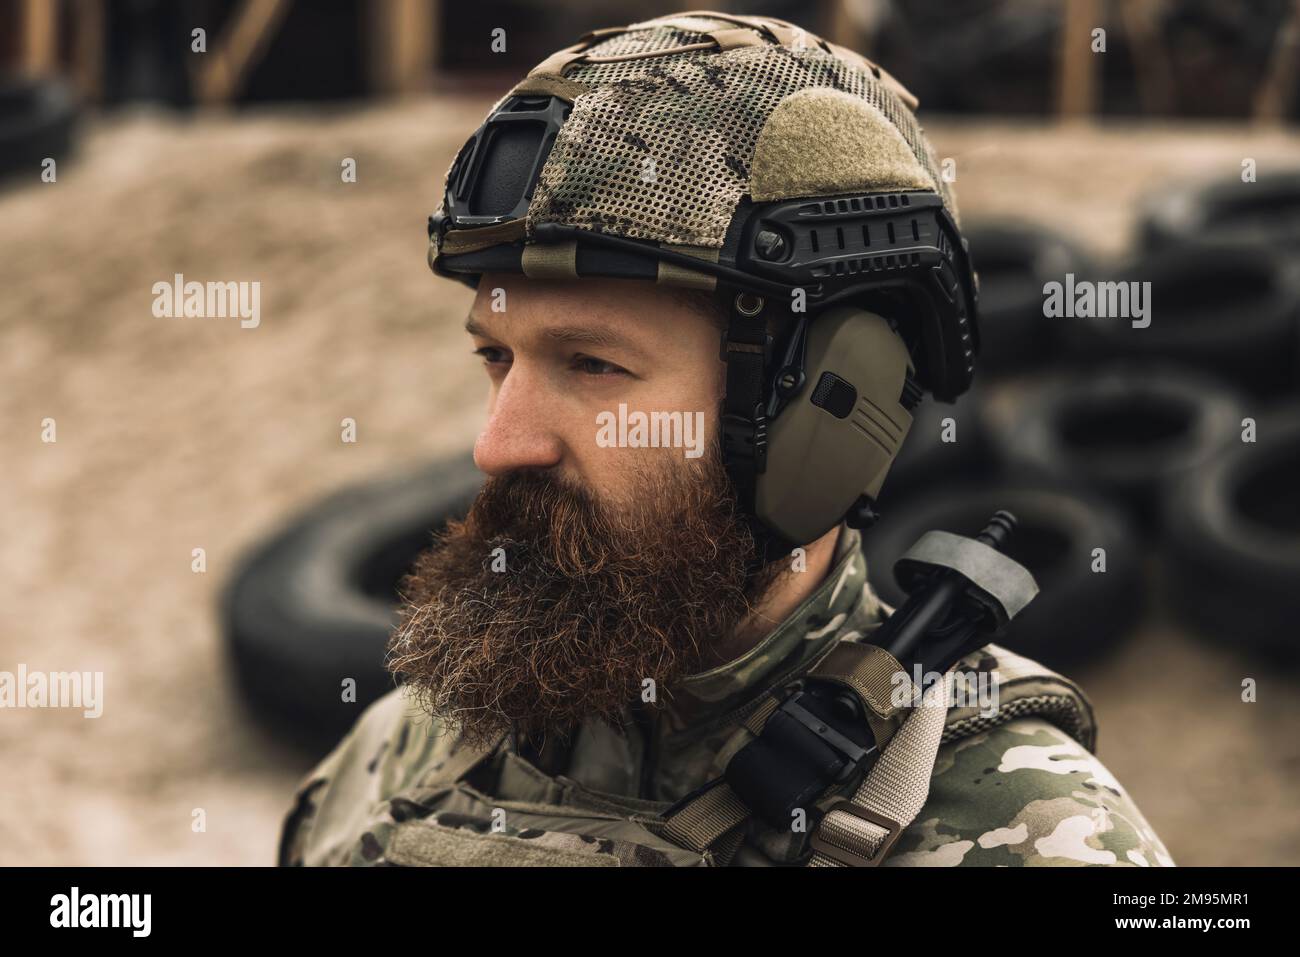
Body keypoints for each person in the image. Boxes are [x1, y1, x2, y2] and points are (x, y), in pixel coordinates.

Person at [278, 11, 1173, 867]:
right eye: (494, 356)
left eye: (592, 364)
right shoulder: (402, 754)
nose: (499, 445)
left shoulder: (1026, 831)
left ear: (827, 408)